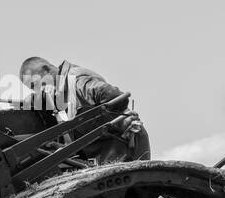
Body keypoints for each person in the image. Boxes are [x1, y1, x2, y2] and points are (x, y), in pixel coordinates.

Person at [18, 56, 150, 162]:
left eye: (36, 84)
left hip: (127, 148)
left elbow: (111, 94)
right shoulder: (60, 96)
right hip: (107, 155)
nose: (38, 90)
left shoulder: (75, 80)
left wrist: (117, 124)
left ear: (46, 70)